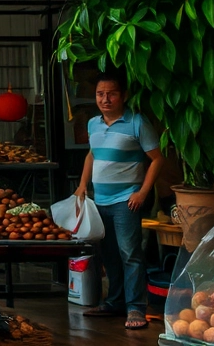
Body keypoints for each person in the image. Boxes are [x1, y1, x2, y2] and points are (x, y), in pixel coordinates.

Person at [74, 73, 165, 331]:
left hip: (126, 201)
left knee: (130, 254)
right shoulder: (93, 124)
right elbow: (92, 155)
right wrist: (82, 184)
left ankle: (136, 307)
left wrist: (142, 192)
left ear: (123, 96)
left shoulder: (137, 122)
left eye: (111, 94)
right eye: (100, 94)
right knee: (109, 255)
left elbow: (157, 159)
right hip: (99, 201)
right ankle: (114, 302)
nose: (105, 99)